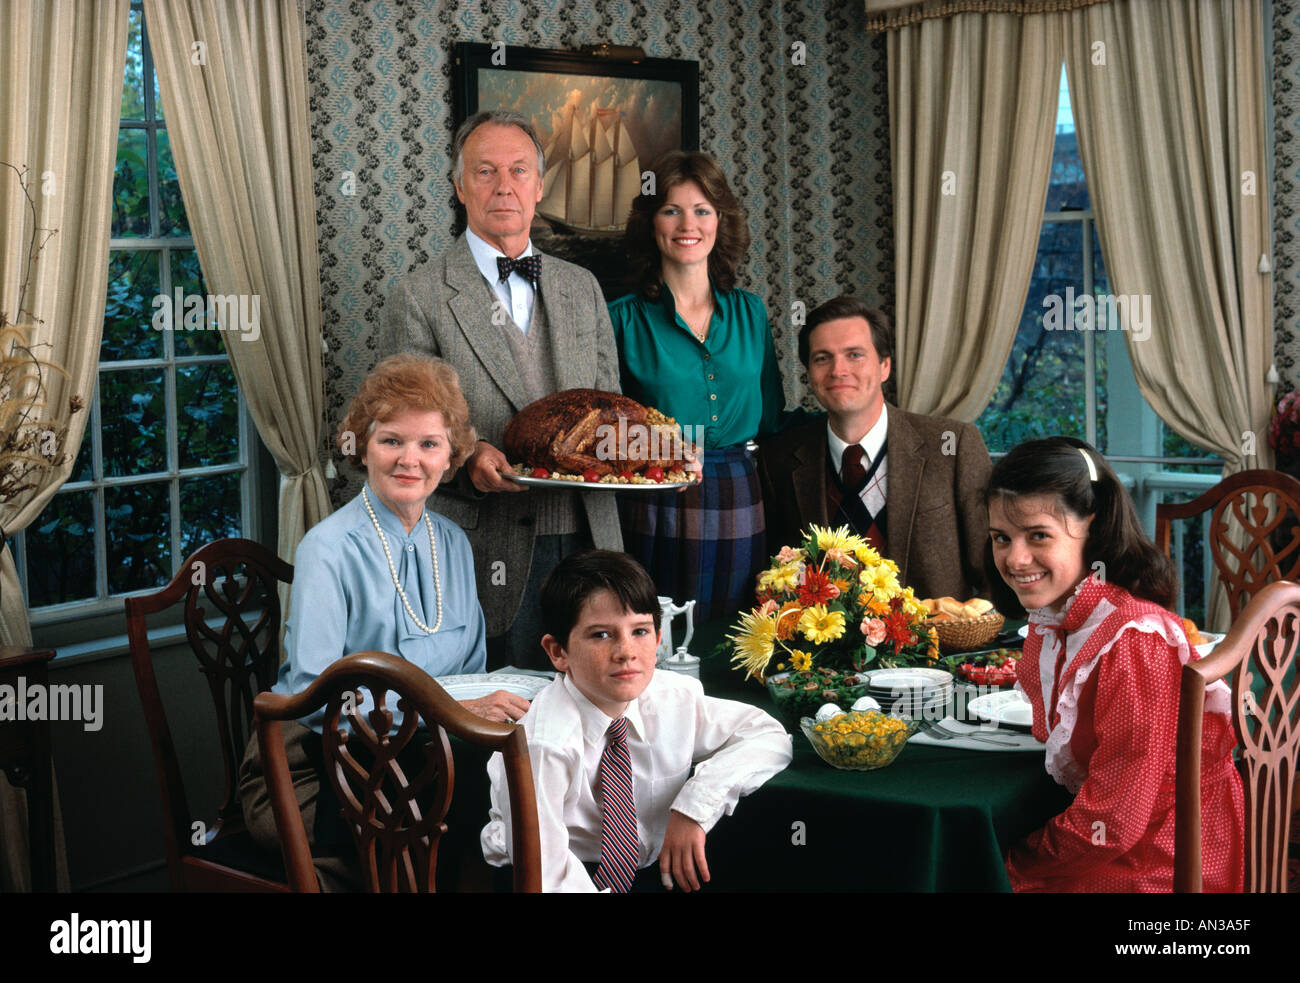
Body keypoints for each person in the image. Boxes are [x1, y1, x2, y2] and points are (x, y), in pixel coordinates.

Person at [238, 354, 530, 887]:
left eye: (429, 444)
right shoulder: (327, 547)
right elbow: (315, 694)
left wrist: (467, 711)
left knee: (516, 812)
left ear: (451, 458)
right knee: (442, 837)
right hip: (318, 769)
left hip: (425, 761)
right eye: (391, 440)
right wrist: (448, 711)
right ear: (362, 448)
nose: (409, 460)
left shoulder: (455, 543)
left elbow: (471, 673)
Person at [382, 110, 622, 671]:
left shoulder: (582, 287)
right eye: (485, 171)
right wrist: (466, 457)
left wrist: (652, 456)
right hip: (487, 546)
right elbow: (399, 433)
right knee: (502, 725)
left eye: (518, 171)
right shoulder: (418, 297)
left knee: (593, 713)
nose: (504, 186)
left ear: (540, 187)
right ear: (460, 186)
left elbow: (611, 404)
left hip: (592, 535)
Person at [987, 436, 1244, 892]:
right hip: (1121, 835)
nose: (1015, 558)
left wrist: (1010, 860)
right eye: (1001, 538)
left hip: (1158, 858)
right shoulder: (1055, 622)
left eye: (1038, 536)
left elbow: (1115, 821)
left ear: (1095, 527)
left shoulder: (1134, 642)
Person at [480, 549, 792, 892]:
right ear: (558, 652)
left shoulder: (673, 698)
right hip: (553, 873)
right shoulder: (544, 743)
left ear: (659, 640)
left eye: (640, 631)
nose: (626, 651)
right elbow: (544, 876)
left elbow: (768, 734)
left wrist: (694, 808)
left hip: (647, 871)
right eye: (601, 634)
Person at [608, 151, 793, 622]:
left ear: (720, 221)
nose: (687, 223)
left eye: (702, 210)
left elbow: (772, 416)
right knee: (659, 631)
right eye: (671, 210)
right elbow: (602, 430)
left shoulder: (751, 312)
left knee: (737, 636)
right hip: (654, 493)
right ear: (651, 223)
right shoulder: (621, 318)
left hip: (739, 489)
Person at [756, 295, 990, 601]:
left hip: (941, 644)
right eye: (822, 358)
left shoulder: (953, 446)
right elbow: (775, 572)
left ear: (884, 367)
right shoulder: (779, 459)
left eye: (854, 355)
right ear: (809, 374)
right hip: (824, 645)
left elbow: (991, 571)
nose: (838, 370)